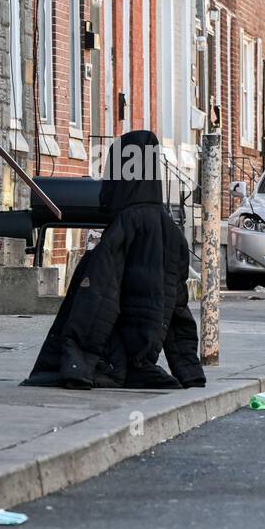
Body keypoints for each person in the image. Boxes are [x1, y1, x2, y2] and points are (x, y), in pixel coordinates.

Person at [23, 131, 205, 390]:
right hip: (143, 351)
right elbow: (178, 308)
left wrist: (78, 364)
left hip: (115, 356)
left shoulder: (125, 225)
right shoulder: (170, 230)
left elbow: (98, 299)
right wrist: (189, 371)